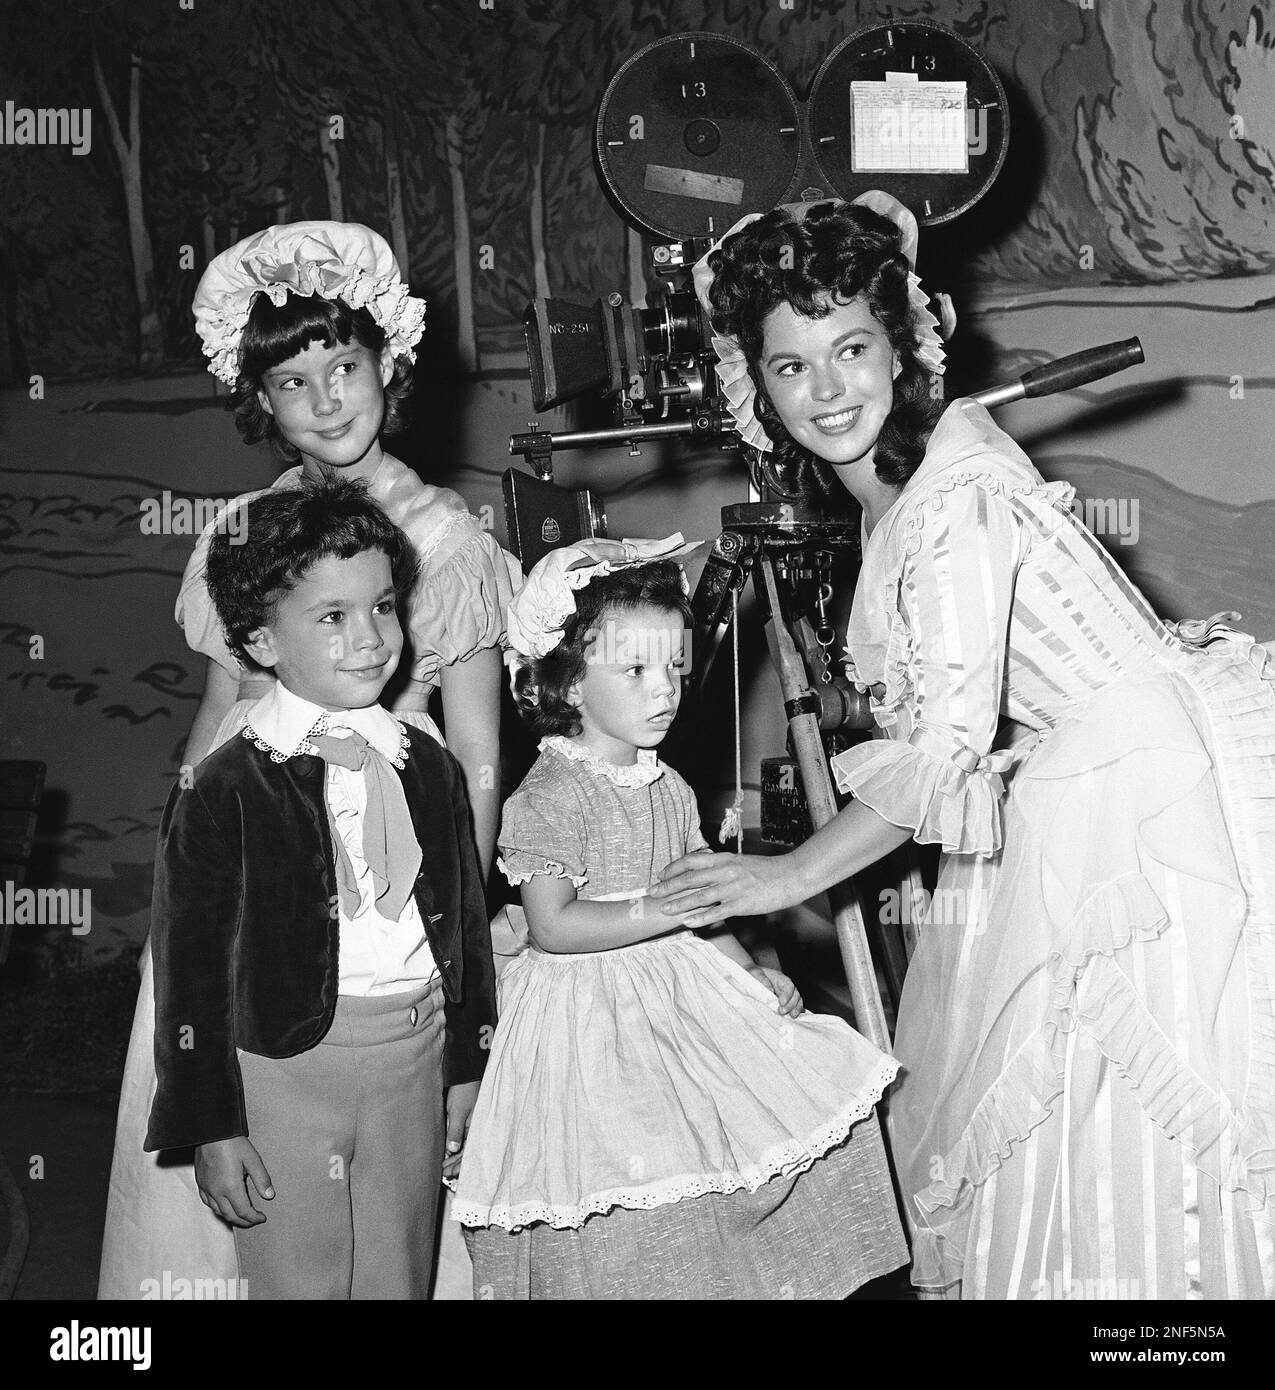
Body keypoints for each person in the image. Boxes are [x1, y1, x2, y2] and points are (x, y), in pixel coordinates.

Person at [651, 193, 1275, 1299]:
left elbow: (941, 748)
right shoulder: (923, 472)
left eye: (852, 349)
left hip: (1137, 798)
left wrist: (783, 874)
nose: (829, 388)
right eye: (792, 367)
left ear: (905, 344)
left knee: (1150, 1105)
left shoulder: (949, 500)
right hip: (1112, 759)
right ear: (755, 384)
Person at [100, 222, 518, 1299]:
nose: (329, 401)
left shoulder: (448, 540)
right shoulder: (244, 533)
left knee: (399, 1218)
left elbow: (473, 755)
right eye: (295, 382)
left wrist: (453, 921)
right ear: (263, 402)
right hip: (258, 883)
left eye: (346, 367)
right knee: (256, 1216)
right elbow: (217, 725)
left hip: (395, 910)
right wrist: (184, 893)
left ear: (389, 366)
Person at [451, 538, 907, 1299]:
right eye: (633, 671)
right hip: (585, 1016)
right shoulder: (550, 794)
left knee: (719, 1166)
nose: (662, 690)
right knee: (614, 1180)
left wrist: (748, 970)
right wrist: (653, 907)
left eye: (673, 667)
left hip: (679, 993)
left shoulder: (665, 783)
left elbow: (701, 899)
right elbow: (555, 927)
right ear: (566, 683)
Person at [144, 475, 495, 1298]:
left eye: (382, 607)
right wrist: (211, 1124)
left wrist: (468, 1062)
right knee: (299, 1281)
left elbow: (465, 927)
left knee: (397, 1275)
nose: (370, 638)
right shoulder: (226, 785)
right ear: (262, 643)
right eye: (331, 618)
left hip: (413, 1058)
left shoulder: (427, 763)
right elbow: (188, 965)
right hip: (286, 1072)